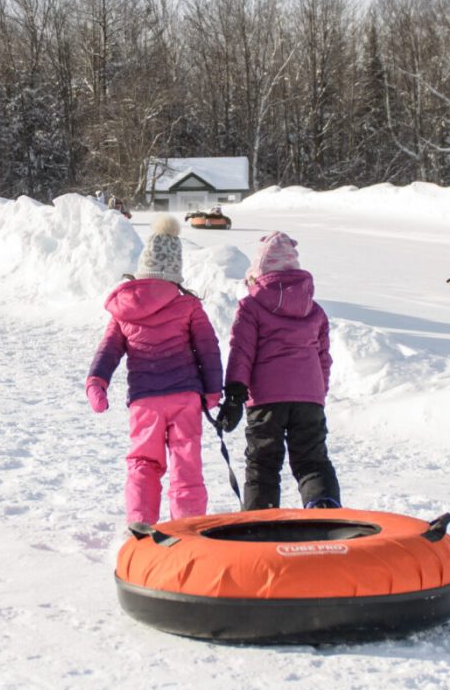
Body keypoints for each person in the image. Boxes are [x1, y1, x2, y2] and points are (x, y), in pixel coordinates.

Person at [85, 215, 222, 526]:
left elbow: (108, 350)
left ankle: (140, 528)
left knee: (143, 463)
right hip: (185, 399)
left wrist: (97, 382)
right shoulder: (188, 306)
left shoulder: (125, 309)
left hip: (145, 402)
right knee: (186, 465)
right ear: (175, 271)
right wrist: (213, 390)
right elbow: (208, 350)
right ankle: (188, 531)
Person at [218, 231, 341, 511]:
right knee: (312, 460)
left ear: (258, 272)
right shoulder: (315, 309)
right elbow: (323, 357)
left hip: (266, 400)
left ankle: (261, 519)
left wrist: (235, 393)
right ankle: (323, 507)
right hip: (308, 398)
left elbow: (242, 351)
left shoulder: (251, 305)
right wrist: (318, 392)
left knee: (263, 461)